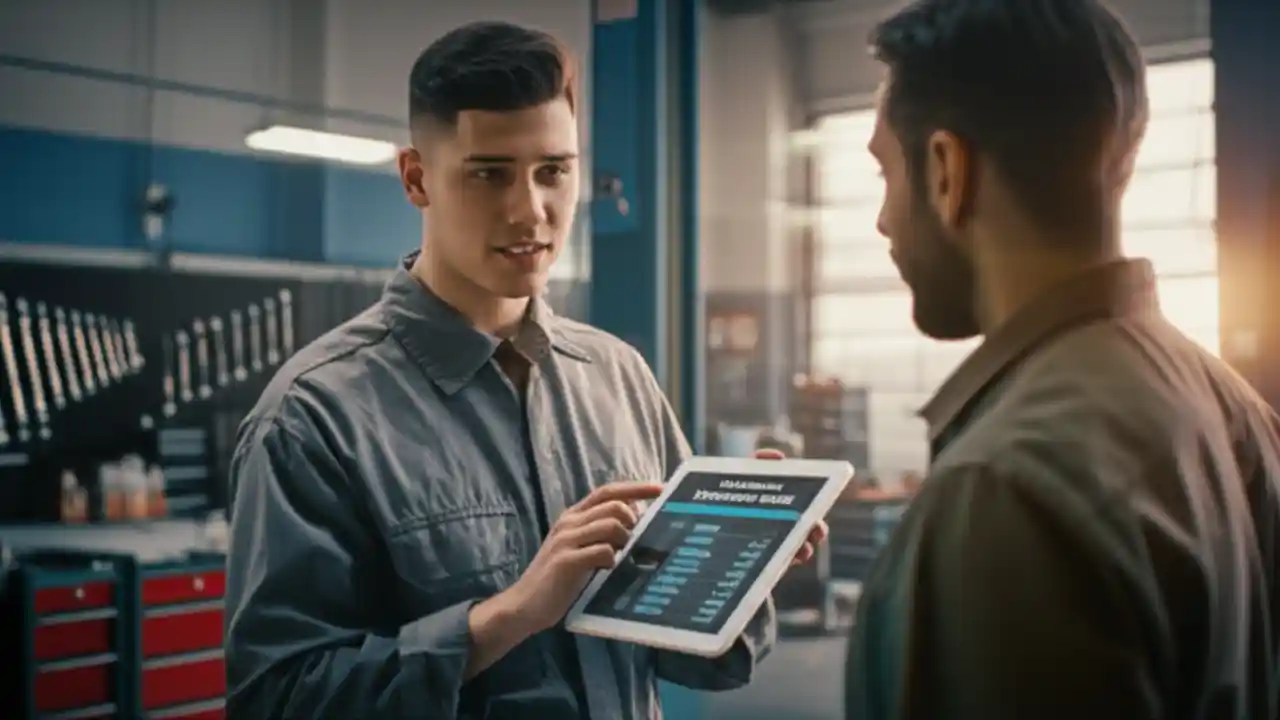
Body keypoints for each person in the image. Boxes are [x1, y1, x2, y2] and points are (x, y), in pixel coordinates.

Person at [224, 21, 826, 720]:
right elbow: (276, 700)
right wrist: (506, 616)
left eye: (554, 170)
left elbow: (686, 658)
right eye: (489, 174)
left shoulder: (618, 376)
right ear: (416, 177)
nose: (530, 211)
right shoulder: (313, 419)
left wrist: (737, 577)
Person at [845, 1, 1280, 719]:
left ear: (948, 171)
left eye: (885, 174)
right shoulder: (1230, 407)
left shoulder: (1004, 490)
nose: (885, 219)